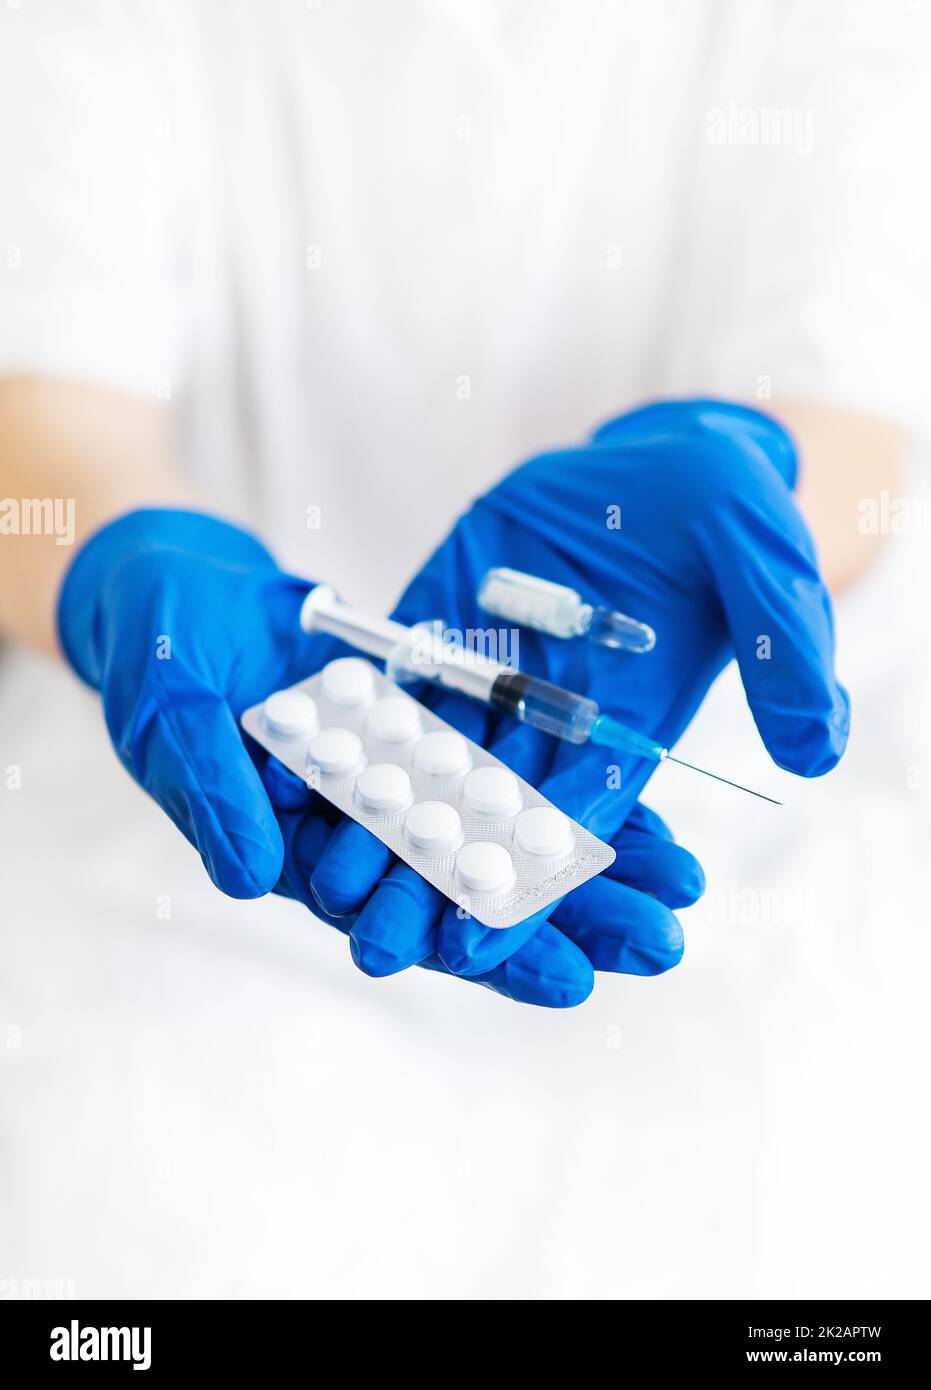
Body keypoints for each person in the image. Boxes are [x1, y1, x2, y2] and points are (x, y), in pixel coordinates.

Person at [0, 0, 927, 1295]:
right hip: (180, 844)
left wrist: (754, 483)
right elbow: (44, 405)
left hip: (754, 888)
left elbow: (856, 417)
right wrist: (121, 557)